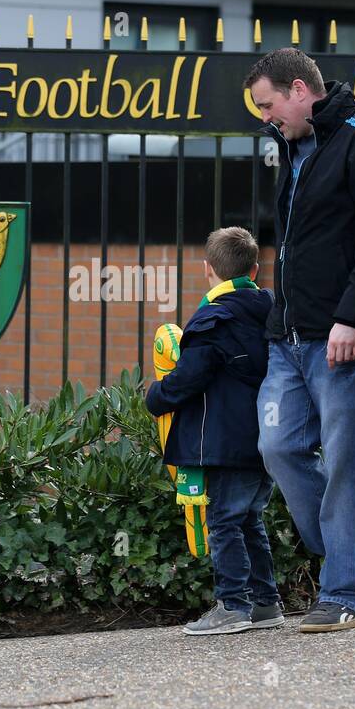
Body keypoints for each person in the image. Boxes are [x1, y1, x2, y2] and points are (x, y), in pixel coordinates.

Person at [245, 48, 355, 633]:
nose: (266, 118)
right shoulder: (294, 142)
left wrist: (353, 318)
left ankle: (343, 591)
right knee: (277, 447)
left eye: (268, 105)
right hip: (288, 333)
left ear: (299, 89)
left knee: (345, 461)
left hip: (344, 336)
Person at [145, 227, 280, 635]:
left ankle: (233, 605)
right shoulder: (271, 310)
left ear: (207, 269)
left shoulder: (213, 319)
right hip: (267, 437)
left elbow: (189, 377)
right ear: (255, 269)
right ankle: (265, 603)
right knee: (249, 520)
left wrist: (156, 396)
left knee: (223, 521)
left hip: (226, 441)